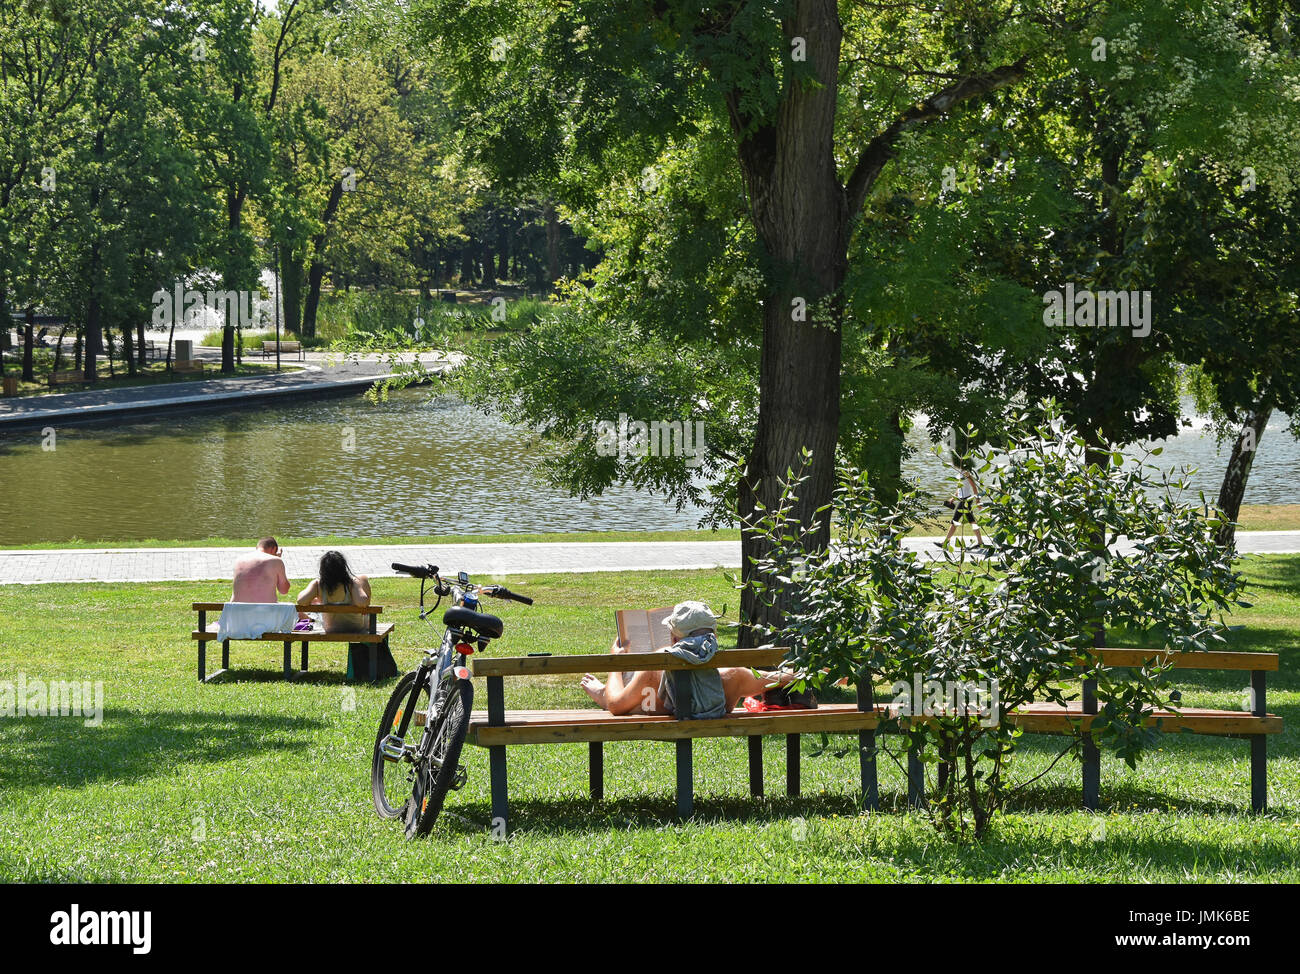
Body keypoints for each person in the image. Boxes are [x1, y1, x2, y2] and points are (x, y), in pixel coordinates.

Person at [579, 601, 799, 717]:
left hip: (651, 700)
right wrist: (822, 669)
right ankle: (602, 692)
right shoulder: (733, 675)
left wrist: (615, 662)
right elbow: (774, 677)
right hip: (715, 699)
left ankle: (602, 691)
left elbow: (616, 706)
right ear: (714, 636)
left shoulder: (657, 666)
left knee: (617, 695)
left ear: (673, 638)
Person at [296, 550, 396, 680]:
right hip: (358, 628)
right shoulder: (351, 583)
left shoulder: (318, 585)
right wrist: (356, 585)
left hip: (331, 629)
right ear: (343, 567)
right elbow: (363, 602)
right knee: (363, 579)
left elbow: (301, 601)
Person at [231, 537, 291, 603]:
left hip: (236, 609)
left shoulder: (239, 560)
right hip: (264, 610)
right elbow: (284, 590)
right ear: (273, 549)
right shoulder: (275, 561)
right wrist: (277, 559)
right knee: (296, 611)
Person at [943, 464, 986, 547]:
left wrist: (977, 501)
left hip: (966, 500)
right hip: (962, 499)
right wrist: (953, 498)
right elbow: (959, 488)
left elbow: (974, 488)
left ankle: (945, 543)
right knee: (972, 521)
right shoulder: (959, 473)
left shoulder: (966, 474)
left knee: (955, 520)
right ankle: (980, 542)